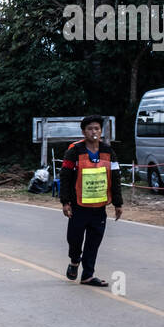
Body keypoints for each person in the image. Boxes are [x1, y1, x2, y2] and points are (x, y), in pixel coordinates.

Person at [59, 115, 124, 287]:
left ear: (101, 131)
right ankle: (74, 260)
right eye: (90, 129)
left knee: (93, 242)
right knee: (74, 239)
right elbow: (65, 177)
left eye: (96, 128)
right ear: (83, 132)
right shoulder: (74, 151)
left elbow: (115, 177)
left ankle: (88, 275)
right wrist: (65, 202)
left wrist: (118, 203)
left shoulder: (108, 152)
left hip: (99, 207)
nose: (93, 132)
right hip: (78, 206)